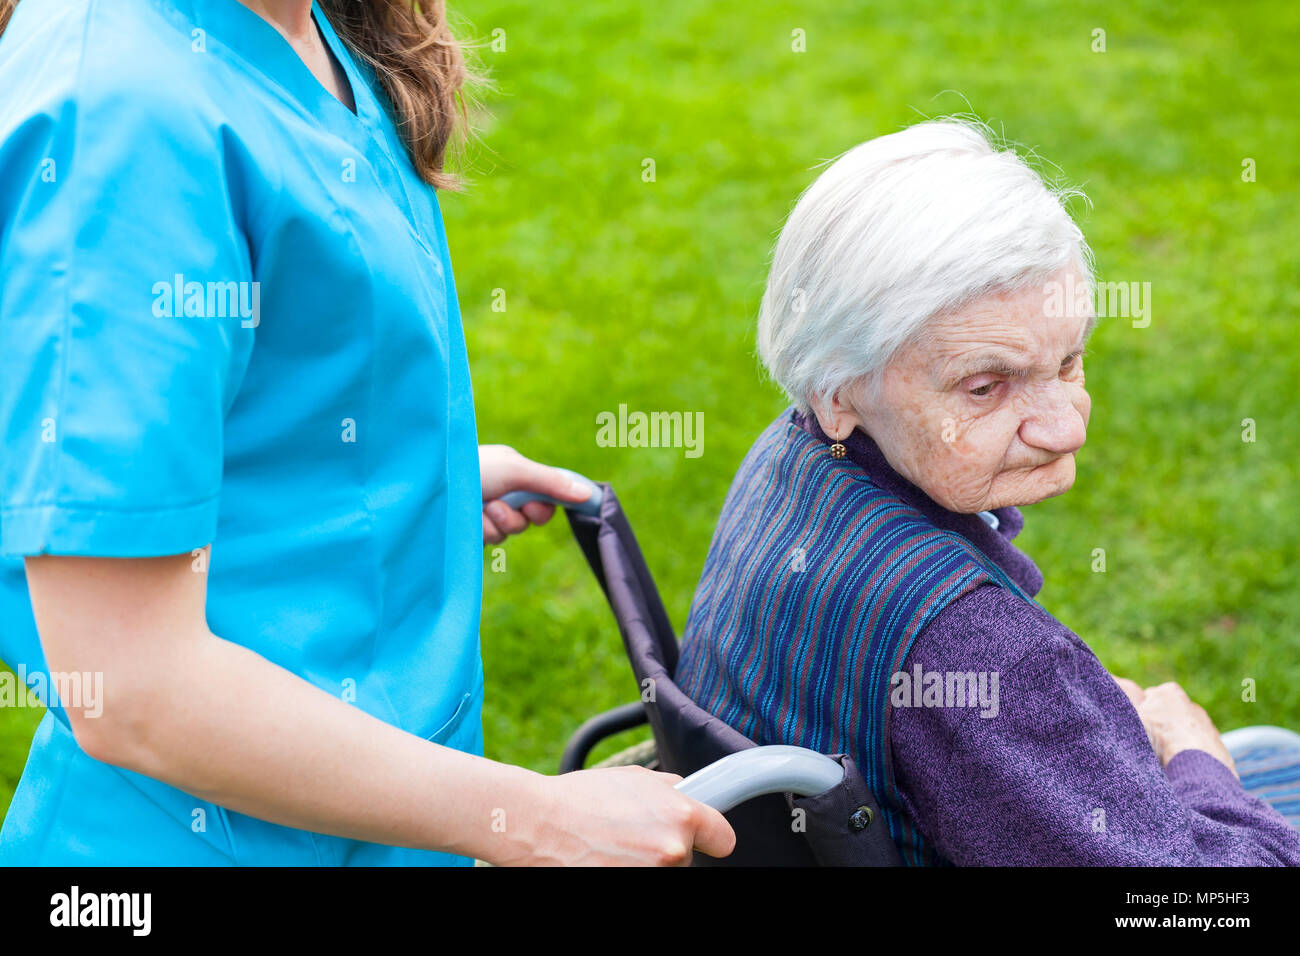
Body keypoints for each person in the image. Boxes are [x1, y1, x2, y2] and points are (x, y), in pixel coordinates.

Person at [0, 0, 733, 866]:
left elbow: (269, 386)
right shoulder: (120, 111)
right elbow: (130, 684)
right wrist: (530, 816)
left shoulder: (309, 24)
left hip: (381, 822)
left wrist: (415, 478)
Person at [674, 118, 1300, 865]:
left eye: (1070, 362)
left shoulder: (793, 456)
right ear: (838, 388)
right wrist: (1197, 760)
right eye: (984, 386)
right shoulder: (987, 662)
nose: (1066, 428)